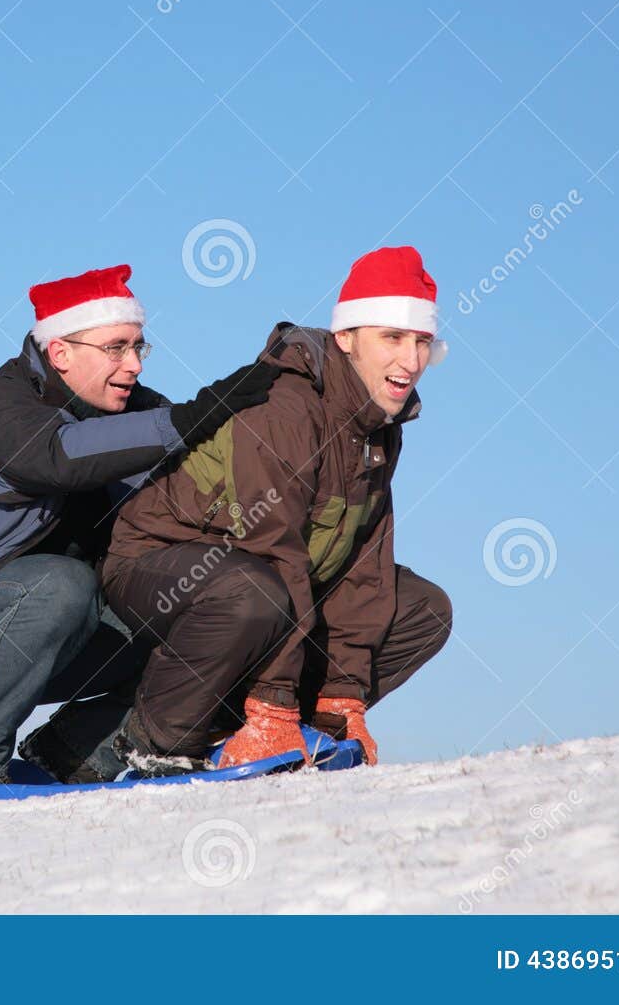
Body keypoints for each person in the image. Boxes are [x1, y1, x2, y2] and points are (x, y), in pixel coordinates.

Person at [0, 264, 279, 783]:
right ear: (60, 352)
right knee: (62, 584)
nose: (133, 365)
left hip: (73, 628)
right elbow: (56, 456)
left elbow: (204, 468)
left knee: (207, 607)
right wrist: (191, 417)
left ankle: (79, 747)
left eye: (138, 348)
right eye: (116, 348)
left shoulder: (137, 410)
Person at [103, 246, 454, 772]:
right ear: (347, 338)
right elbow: (271, 547)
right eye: (393, 338)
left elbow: (366, 566)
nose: (410, 360)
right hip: (160, 566)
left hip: (265, 582)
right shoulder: (287, 410)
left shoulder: (379, 426)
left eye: (422, 341)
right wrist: (273, 704)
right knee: (256, 590)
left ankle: (272, 720)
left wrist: (343, 699)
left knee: (421, 608)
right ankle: (152, 739)